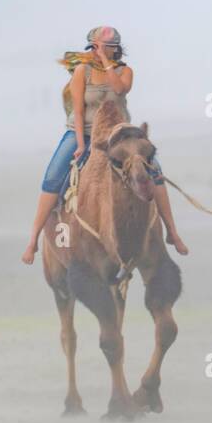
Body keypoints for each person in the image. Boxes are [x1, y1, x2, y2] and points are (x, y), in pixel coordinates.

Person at [21, 26, 187, 265]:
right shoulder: (81, 71)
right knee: (54, 176)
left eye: (111, 46)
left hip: (119, 135)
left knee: (155, 171)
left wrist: (107, 64)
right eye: (101, 46)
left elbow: (119, 89)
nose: (106, 50)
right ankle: (33, 240)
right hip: (84, 132)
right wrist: (79, 144)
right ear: (92, 46)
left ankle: (172, 232)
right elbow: (78, 110)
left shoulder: (125, 71)